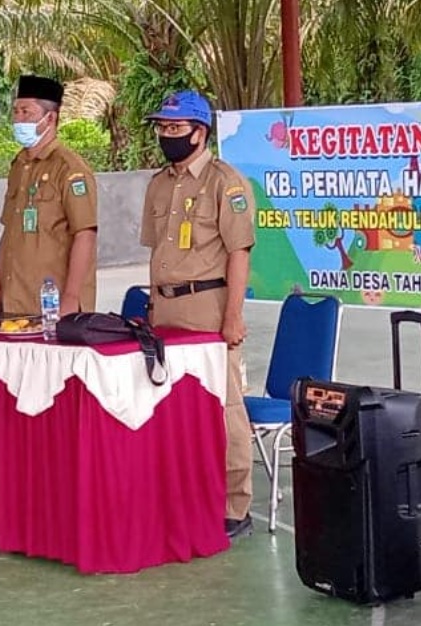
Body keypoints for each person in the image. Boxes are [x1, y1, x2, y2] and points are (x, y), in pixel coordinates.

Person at [140, 90, 257, 541]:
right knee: (172, 402)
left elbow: (239, 253)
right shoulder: (159, 183)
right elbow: (157, 252)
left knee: (224, 404)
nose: (166, 136)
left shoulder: (225, 182)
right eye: (162, 128)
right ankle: (184, 495)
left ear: (199, 132)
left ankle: (234, 505)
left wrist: (233, 316)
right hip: (166, 306)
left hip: (208, 306)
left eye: (175, 128)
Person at [0, 75, 98, 315]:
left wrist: (71, 296)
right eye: (16, 111)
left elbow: (85, 234)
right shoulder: (19, 165)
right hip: (15, 298)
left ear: (51, 118)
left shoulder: (70, 168)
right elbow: (9, 232)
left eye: (27, 112)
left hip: (52, 302)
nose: (18, 119)